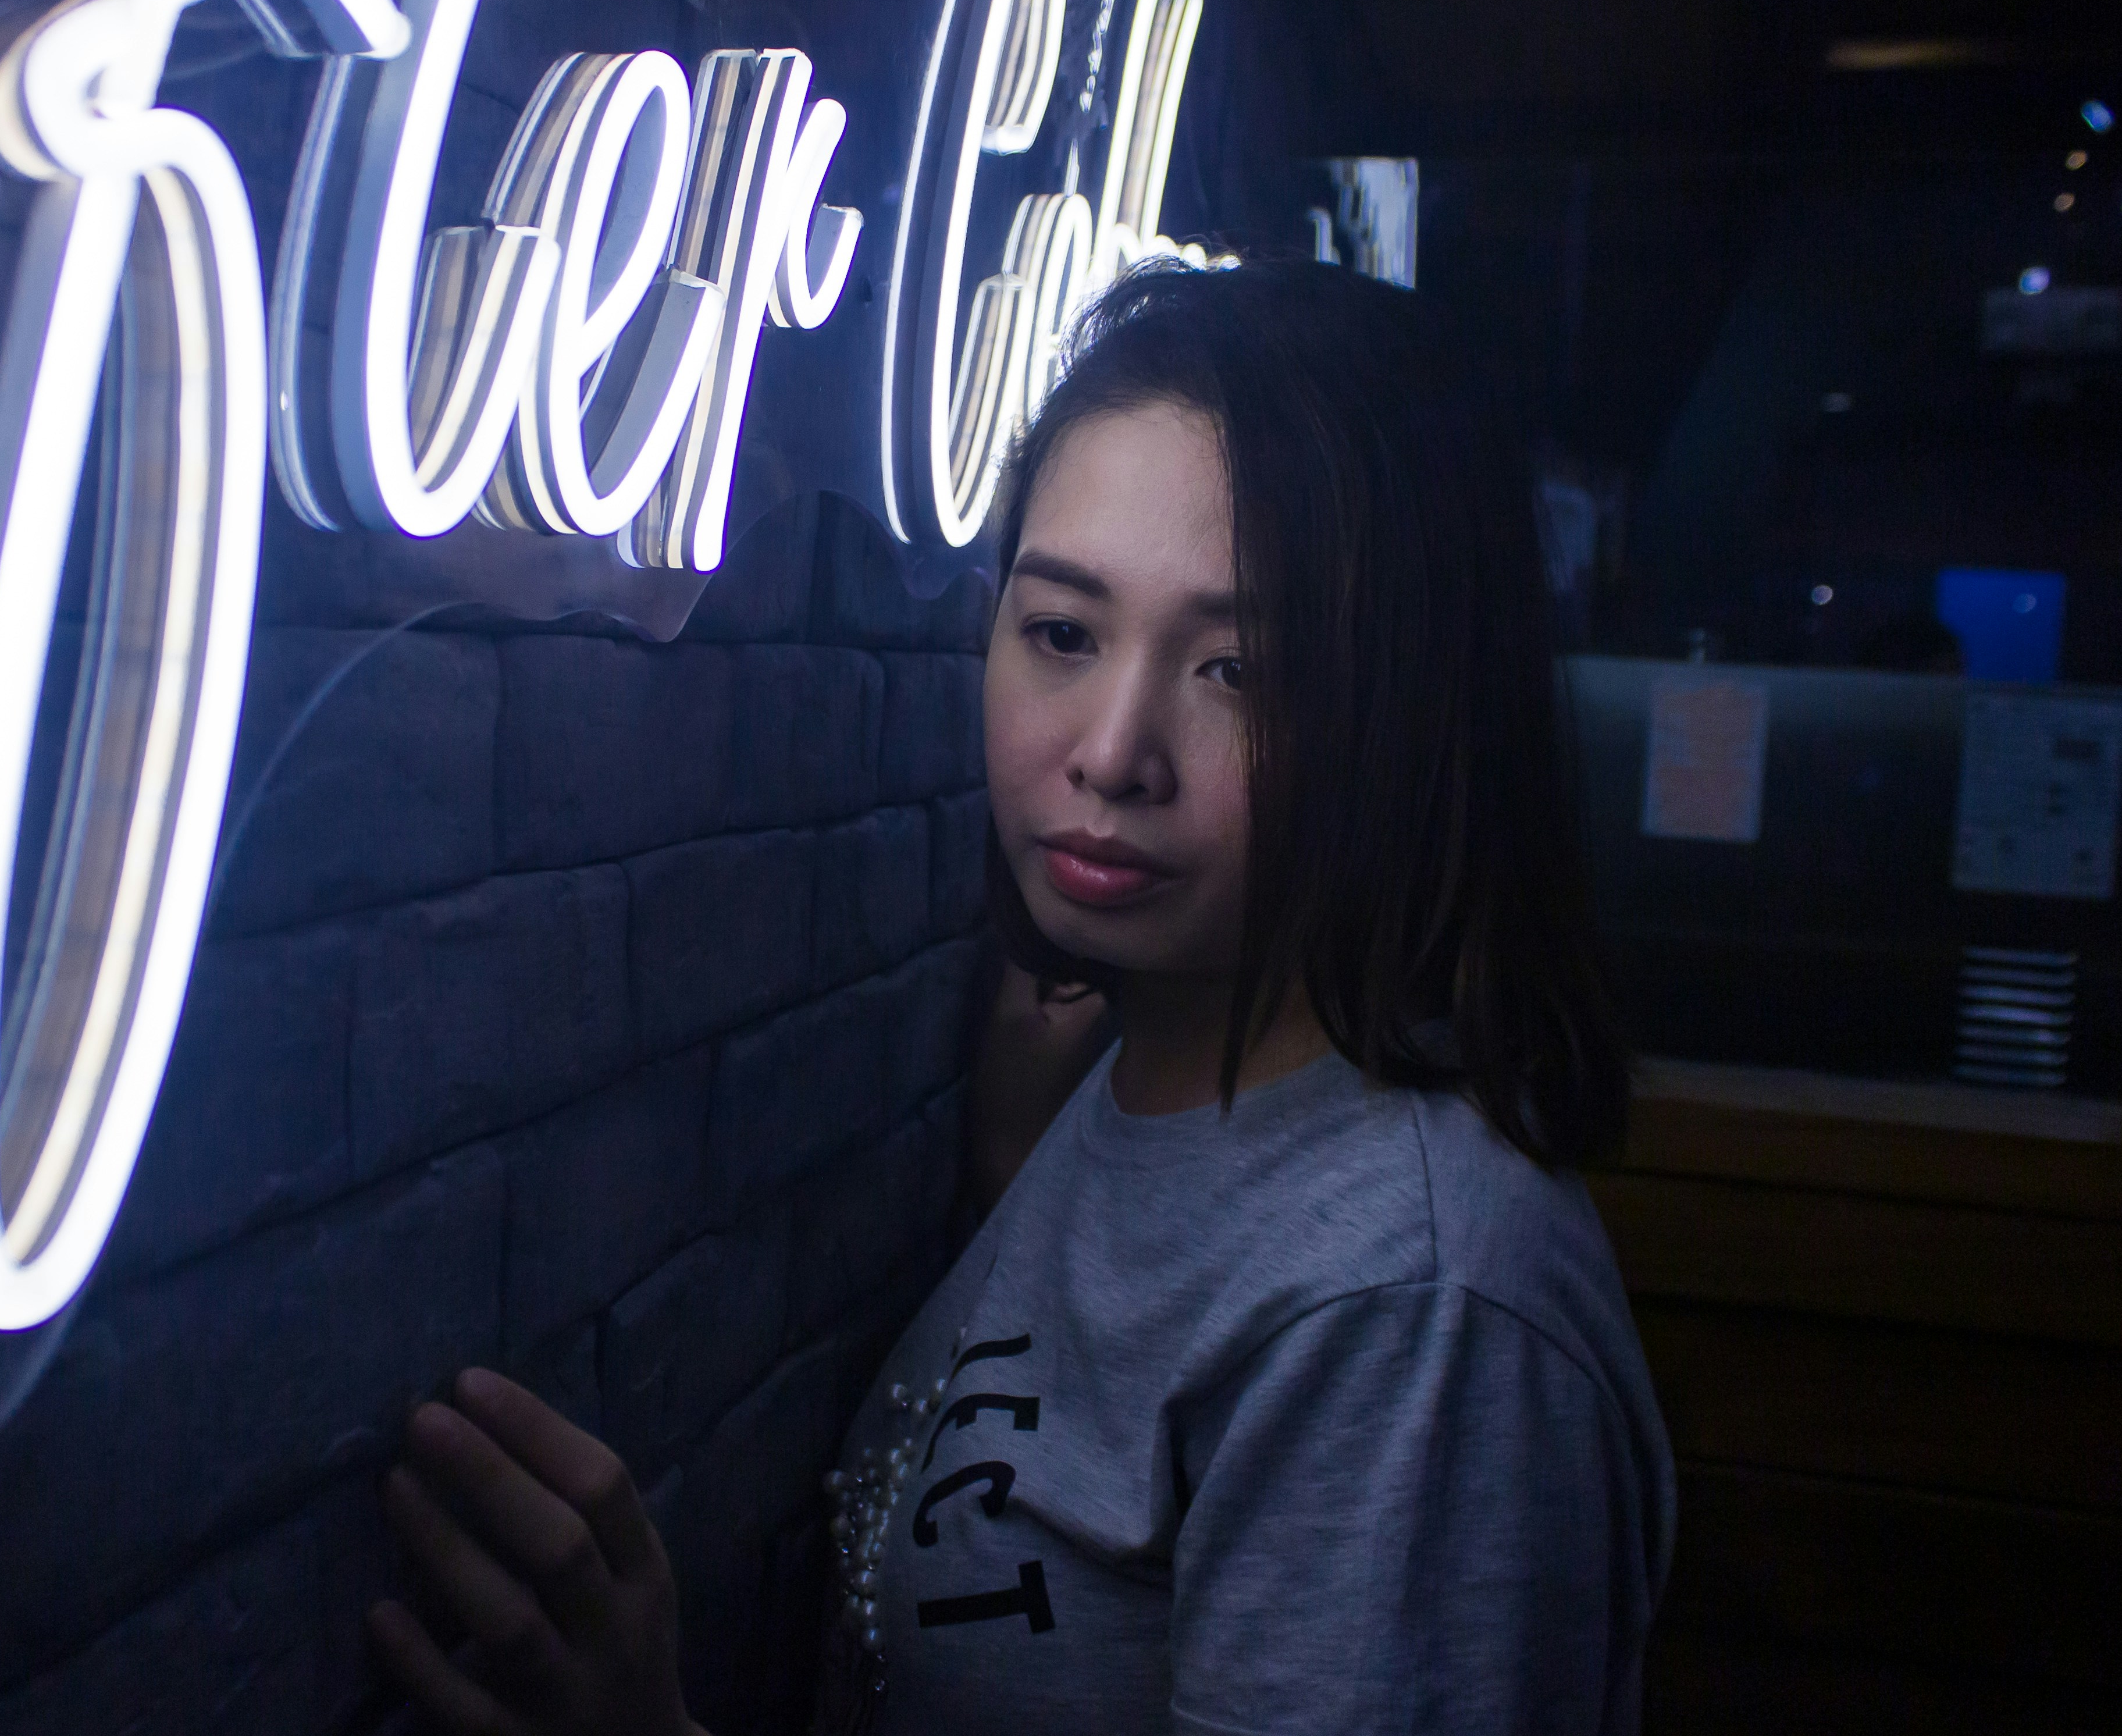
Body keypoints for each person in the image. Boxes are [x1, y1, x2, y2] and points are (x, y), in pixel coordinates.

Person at [362, 259, 1675, 1735]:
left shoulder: (1408, 1307)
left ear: (1412, 708)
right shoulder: (1145, 1085)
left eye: (1240, 668)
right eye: (1061, 631)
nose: (1113, 751)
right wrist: (1011, 1188)